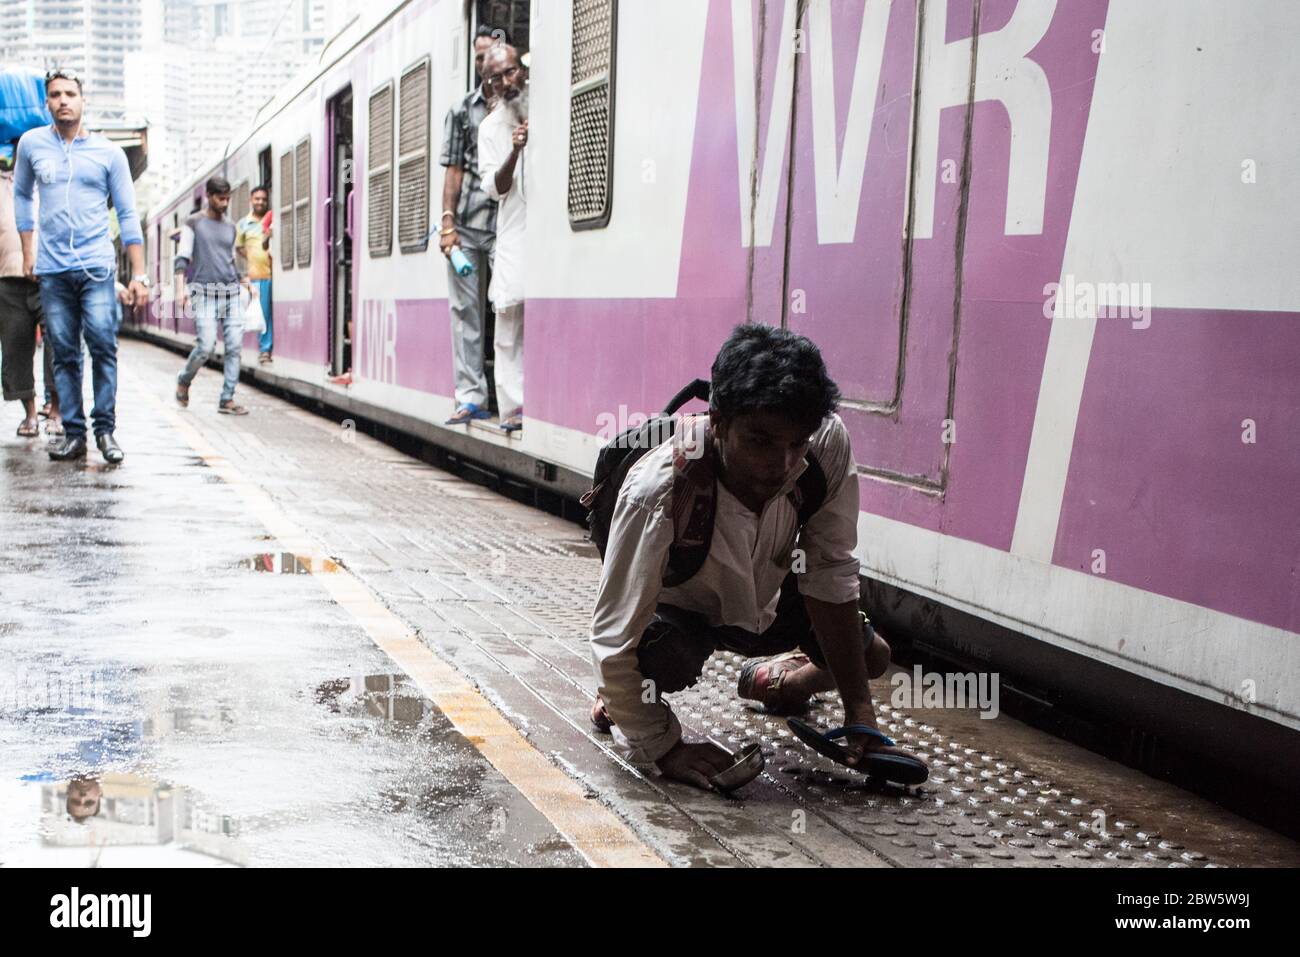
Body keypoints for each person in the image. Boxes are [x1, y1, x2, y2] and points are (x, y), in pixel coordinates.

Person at [588, 325, 920, 791]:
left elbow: (829, 570)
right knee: (661, 659)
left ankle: (785, 682)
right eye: (761, 441)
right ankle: (622, 699)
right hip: (684, 611)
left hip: (770, 604)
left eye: (795, 443)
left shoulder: (825, 444)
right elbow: (612, 639)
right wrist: (664, 747)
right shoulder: (658, 491)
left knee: (873, 659)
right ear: (718, 422)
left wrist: (861, 717)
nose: (782, 464)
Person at [13, 70, 147, 464]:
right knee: (64, 353)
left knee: (104, 345)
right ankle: (74, 435)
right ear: (47, 103)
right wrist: (28, 251)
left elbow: (127, 213)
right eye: (55, 95)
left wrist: (138, 275)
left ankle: (105, 430)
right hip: (53, 270)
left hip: (97, 269)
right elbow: (22, 196)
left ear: (83, 100)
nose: (63, 101)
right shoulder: (32, 145)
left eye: (70, 93)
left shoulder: (109, 153)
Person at [439, 25, 504, 426]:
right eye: (479, 57)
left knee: (506, 306)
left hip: (508, 223)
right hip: (468, 224)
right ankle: (471, 396)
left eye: (491, 56)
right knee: (466, 311)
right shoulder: (463, 110)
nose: (485, 64)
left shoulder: (520, 104)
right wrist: (447, 223)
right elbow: (454, 171)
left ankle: (510, 394)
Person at [477, 43, 529, 434]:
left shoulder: (547, 107)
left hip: (548, 231)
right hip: (513, 230)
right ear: (489, 84)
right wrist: (514, 151)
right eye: (498, 78)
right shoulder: (490, 128)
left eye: (512, 71)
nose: (508, 82)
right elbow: (495, 187)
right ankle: (513, 408)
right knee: (509, 316)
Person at [174, 176, 247, 415]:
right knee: (206, 345)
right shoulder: (193, 223)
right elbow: (182, 258)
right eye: (220, 198)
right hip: (203, 293)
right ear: (209, 196)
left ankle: (227, 398)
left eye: (228, 198)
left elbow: (229, 258)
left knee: (235, 346)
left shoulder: (231, 226)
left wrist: (243, 279)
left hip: (231, 292)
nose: (225, 203)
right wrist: (180, 288)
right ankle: (184, 379)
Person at [0, 145, 43, 438]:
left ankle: (57, 410)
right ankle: (30, 413)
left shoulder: (51, 181)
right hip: (8, 276)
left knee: (60, 344)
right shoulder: (2, 184)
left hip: (52, 276)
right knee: (15, 348)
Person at [236, 185, 273, 364]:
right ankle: (264, 350)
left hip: (275, 272)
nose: (261, 202)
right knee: (263, 313)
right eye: (257, 199)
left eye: (264, 199)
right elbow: (238, 247)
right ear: (251, 200)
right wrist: (252, 257)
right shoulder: (243, 224)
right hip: (258, 275)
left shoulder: (272, 218)